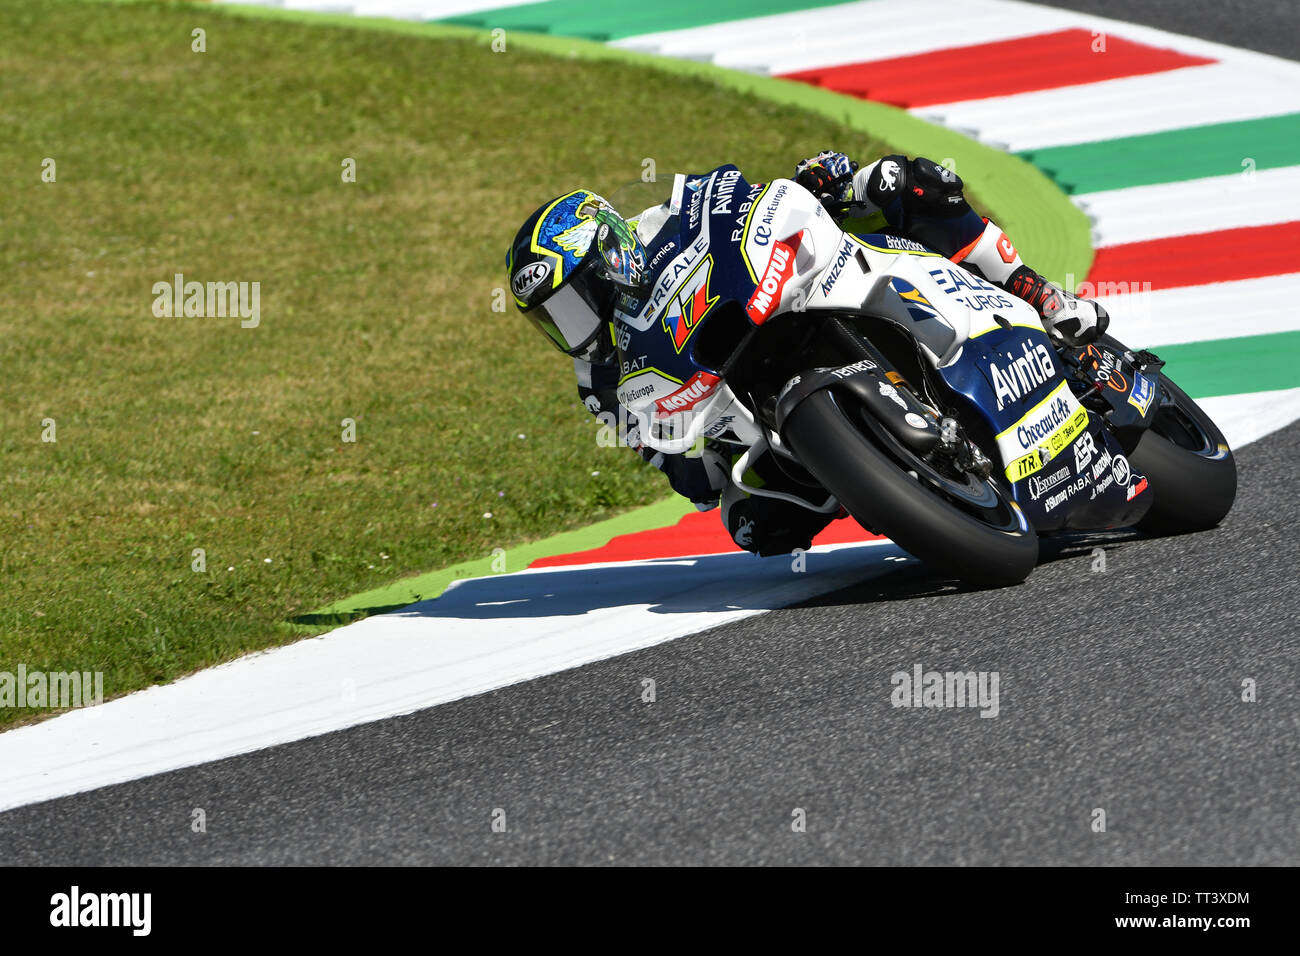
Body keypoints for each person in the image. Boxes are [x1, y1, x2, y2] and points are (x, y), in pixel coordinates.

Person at [506, 151, 1108, 556]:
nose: (572, 327)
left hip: (808, 289)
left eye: (575, 301)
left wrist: (818, 178)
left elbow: (731, 198)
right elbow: (675, 471)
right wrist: (706, 466)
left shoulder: (664, 220)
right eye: (553, 319)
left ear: (610, 255)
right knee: (751, 526)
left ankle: (1038, 293)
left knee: (897, 180)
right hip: (750, 406)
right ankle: (888, 480)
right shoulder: (597, 380)